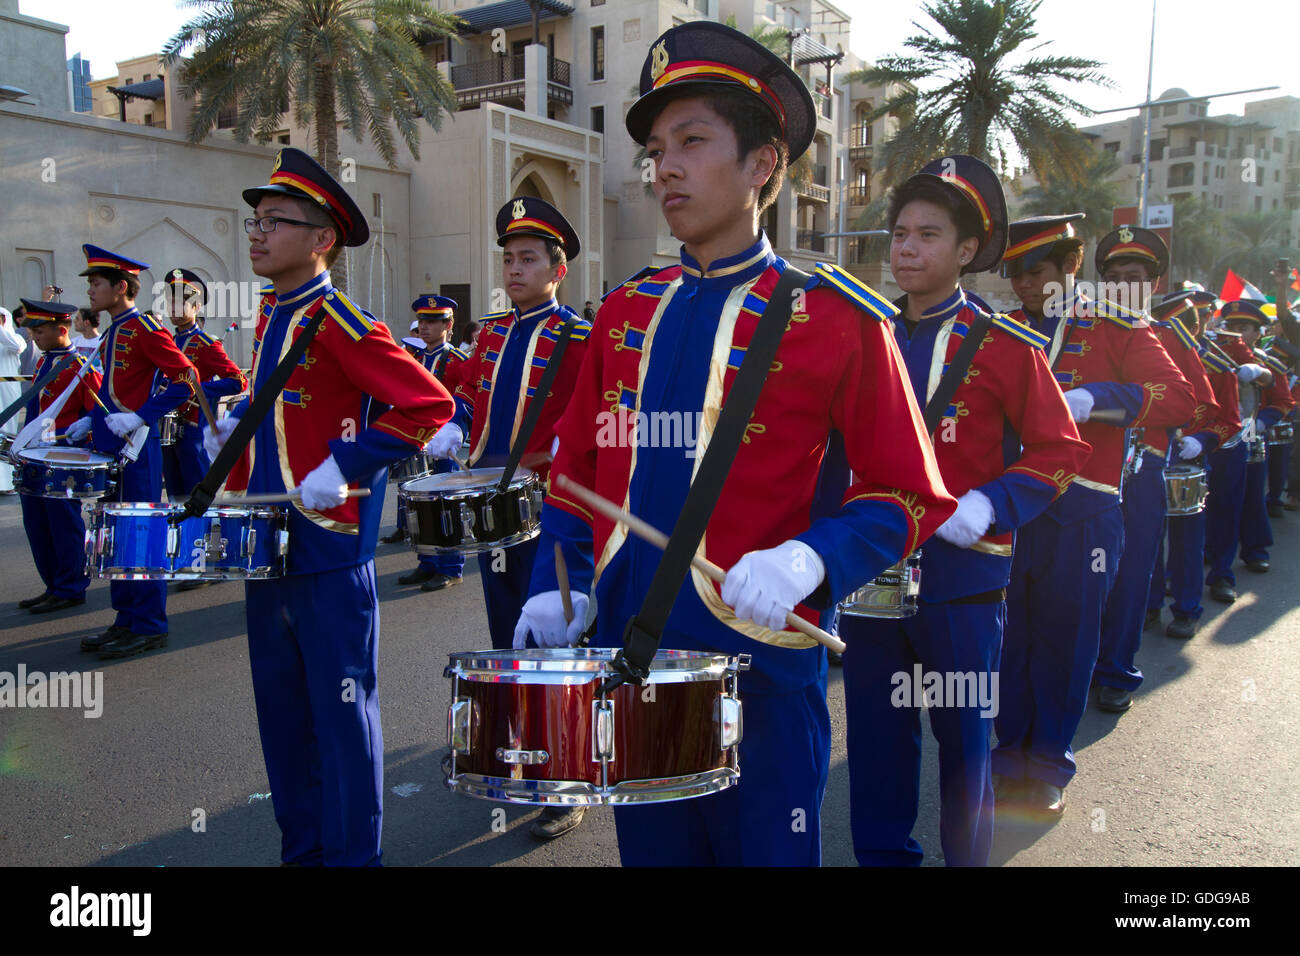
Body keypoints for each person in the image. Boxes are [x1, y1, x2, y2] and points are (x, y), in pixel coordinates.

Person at [514, 21, 955, 865]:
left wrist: (811, 559)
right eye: (655, 147)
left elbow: (910, 490)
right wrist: (558, 581)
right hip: (632, 667)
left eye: (691, 141)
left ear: (762, 165)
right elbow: (576, 477)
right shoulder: (621, 314)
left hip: (764, 678)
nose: (664, 166)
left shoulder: (836, 317)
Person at [204, 147, 453, 866]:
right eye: (254, 219)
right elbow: (287, 424)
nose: (257, 232)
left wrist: (344, 466)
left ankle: (351, 858)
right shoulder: (272, 314)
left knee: (342, 722)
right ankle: (303, 854)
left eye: (275, 221)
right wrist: (236, 430)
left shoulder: (341, 320)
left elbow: (428, 406)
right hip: (266, 550)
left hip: (325, 552)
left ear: (321, 240)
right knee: (283, 724)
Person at [840, 174, 1088, 866]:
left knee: (966, 746)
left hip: (964, 578)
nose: (907, 250)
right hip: (873, 575)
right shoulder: (866, 334)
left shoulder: (1007, 343)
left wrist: (990, 504)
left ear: (968, 249)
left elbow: (1061, 448)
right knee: (876, 738)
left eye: (928, 235)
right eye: (899, 234)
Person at [997, 222, 1194, 815]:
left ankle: (1050, 761)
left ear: (1069, 266)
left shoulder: (1116, 323)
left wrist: (1102, 399)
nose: (1026, 285)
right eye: (1017, 274)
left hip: (1082, 510)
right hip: (1009, 507)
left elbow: (1179, 397)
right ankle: (1010, 755)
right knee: (1010, 641)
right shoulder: (1000, 329)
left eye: (1037, 271)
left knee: (1068, 639)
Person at [425, 197, 590, 841]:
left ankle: (567, 776)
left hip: (550, 510)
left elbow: (587, 428)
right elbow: (469, 389)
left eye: (528, 259)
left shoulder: (577, 338)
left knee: (554, 639)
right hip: (495, 506)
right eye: (508, 259)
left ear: (558, 270)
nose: (514, 269)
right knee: (506, 631)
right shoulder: (492, 333)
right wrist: (452, 425)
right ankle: (518, 743)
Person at [1092, 290, 1222, 713]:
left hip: (1142, 466)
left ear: (1150, 284)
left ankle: (1115, 670)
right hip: (1083, 463)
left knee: (1131, 570)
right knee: (1077, 575)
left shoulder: (1168, 336)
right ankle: (1078, 662)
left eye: (1133, 278)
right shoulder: (1080, 326)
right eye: (1112, 277)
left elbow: (1192, 403)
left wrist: (1116, 409)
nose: (1121, 286)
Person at [72, 244, 198, 660]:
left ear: (121, 287)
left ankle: (148, 624)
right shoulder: (113, 329)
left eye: (96, 283)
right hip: (112, 443)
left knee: (139, 534)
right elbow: (110, 389)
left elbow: (186, 377)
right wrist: (91, 419)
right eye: (90, 283)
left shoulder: (145, 326)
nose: (90, 291)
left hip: (136, 448)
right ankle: (126, 618)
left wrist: (142, 416)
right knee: (115, 536)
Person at [1146, 288, 1241, 639]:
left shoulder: (1217, 366)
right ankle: (1150, 604)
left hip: (1189, 460)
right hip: (1151, 457)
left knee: (1187, 540)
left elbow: (1229, 420)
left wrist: (1201, 439)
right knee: (1148, 539)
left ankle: (1187, 608)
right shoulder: (1144, 360)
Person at [13, 298, 103, 612]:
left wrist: (84, 432)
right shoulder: (44, 362)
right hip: (36, 453)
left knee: (63, 524)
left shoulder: (80, 366)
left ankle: (71, 586)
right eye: (33, 330)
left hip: (63, 456)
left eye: (39, 330)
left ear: (60, 329)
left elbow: (95, 414)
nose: (33, 336)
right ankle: (53, 584)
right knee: (38, 523)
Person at [1204, 300, 1294, 591]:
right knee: (1214, 501)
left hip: (1251, 435)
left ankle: (1255, 549)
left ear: (1258, 332)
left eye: (1243, 328)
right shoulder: (1209, 356)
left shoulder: (1266, 363)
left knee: (1252, 497)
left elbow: (1282, 402)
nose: (1235, 333)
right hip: (1215, 436)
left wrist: (1261, 424)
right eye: (1230, 326)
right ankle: (1211, 551)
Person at [386, 294, 469, 593]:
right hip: (417, 444)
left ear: (449, 325)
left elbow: (465, 400)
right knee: (418, 508)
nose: (424, 327)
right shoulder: (415, 358)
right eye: (422, 321)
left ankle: (450, 567)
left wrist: (453, 428)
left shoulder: (458, 361)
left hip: (443, 446)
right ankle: (427, 562)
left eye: (433, 321)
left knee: (445, 508)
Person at [160, 268, 247, 501]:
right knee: (174, 498)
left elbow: (238, 382)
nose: (175, 310)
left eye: (182, 304)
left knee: (196, 496)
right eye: (171, 303)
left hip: (193, 429)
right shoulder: (165, 342)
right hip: (166, 429)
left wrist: (198, 390)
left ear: (196, 307)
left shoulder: (206, 344)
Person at [0, 305, 23, 495]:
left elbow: (16, 347)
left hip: (8, 393)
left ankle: (7, 482)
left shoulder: (15, 338)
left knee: (7, 435)